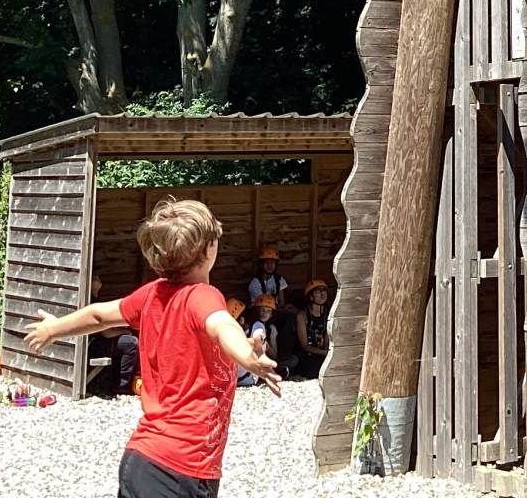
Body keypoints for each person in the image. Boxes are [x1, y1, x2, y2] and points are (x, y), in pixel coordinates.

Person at [26, 199, 279, 498]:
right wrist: (247, 356)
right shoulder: (203, 296)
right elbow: (223, 325)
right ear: (209, 250)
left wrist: (53, 328)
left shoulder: (152, 294)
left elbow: (97, 314)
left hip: (143, 459)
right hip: (181, 469)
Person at [295, 279, 332, 379]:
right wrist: (325, 353)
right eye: (318, 291)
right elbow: (305, 346)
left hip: (324, 353)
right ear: (311, 296)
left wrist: (327, 352)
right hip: (307, 355)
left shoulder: (329, 313)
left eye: (324, 290)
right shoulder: (302, 316)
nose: (322, 293)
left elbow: (328, 337)